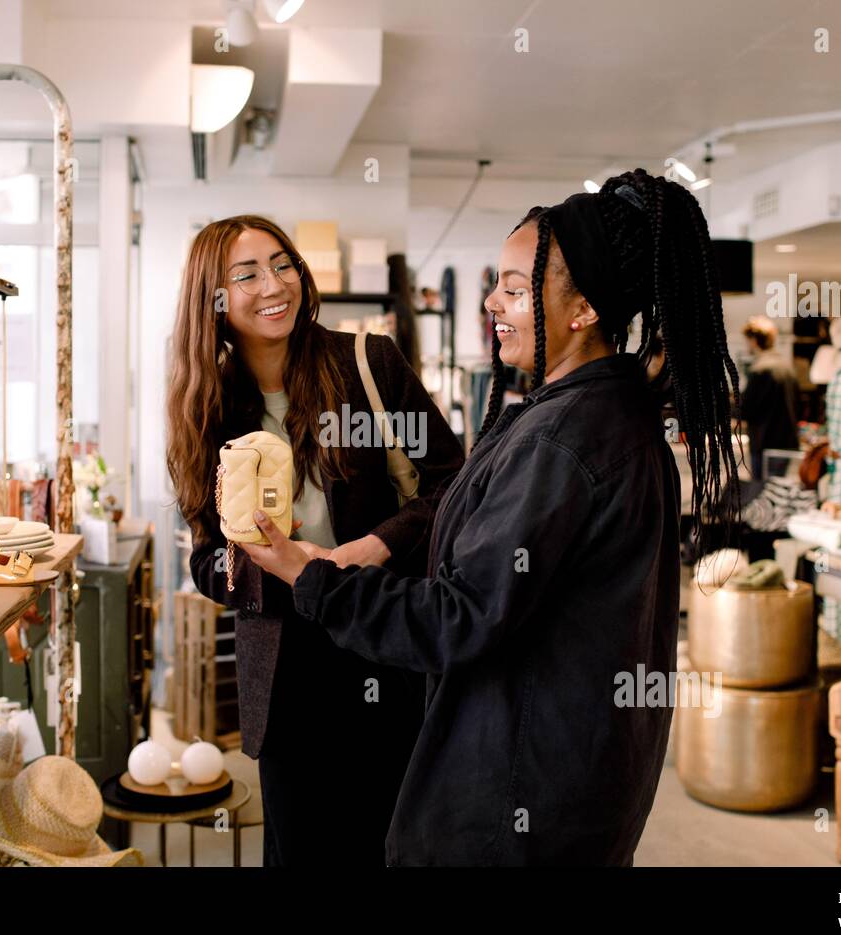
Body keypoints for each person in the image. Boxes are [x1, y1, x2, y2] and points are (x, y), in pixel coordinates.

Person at [243, 170, 741, 865]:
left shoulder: (561, 444)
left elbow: (460, 617)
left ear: (583, 311)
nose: (492, 301)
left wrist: (318, 578)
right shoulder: (608, 421)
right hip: (572, 781)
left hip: (514, 800)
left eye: (513, 286)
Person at [165, 215, 463, 866]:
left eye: (283, 264)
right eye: (246, 274)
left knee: (393, 842)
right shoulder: (207, 408)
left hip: (382, 639)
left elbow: (451, 485)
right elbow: (204, 557)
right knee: (301, 849)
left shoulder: (367, 364)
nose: (274, 285)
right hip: (285, 664)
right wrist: (255, 565)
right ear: (211, 298)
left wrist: (371, 548)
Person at [741, 316, 799, 479]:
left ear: (753, 340)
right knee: (778, 491)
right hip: (787, 442)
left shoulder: (760, 369)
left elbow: (746, 410)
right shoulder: (786, 366)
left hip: (765, 443)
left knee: (762, 495)